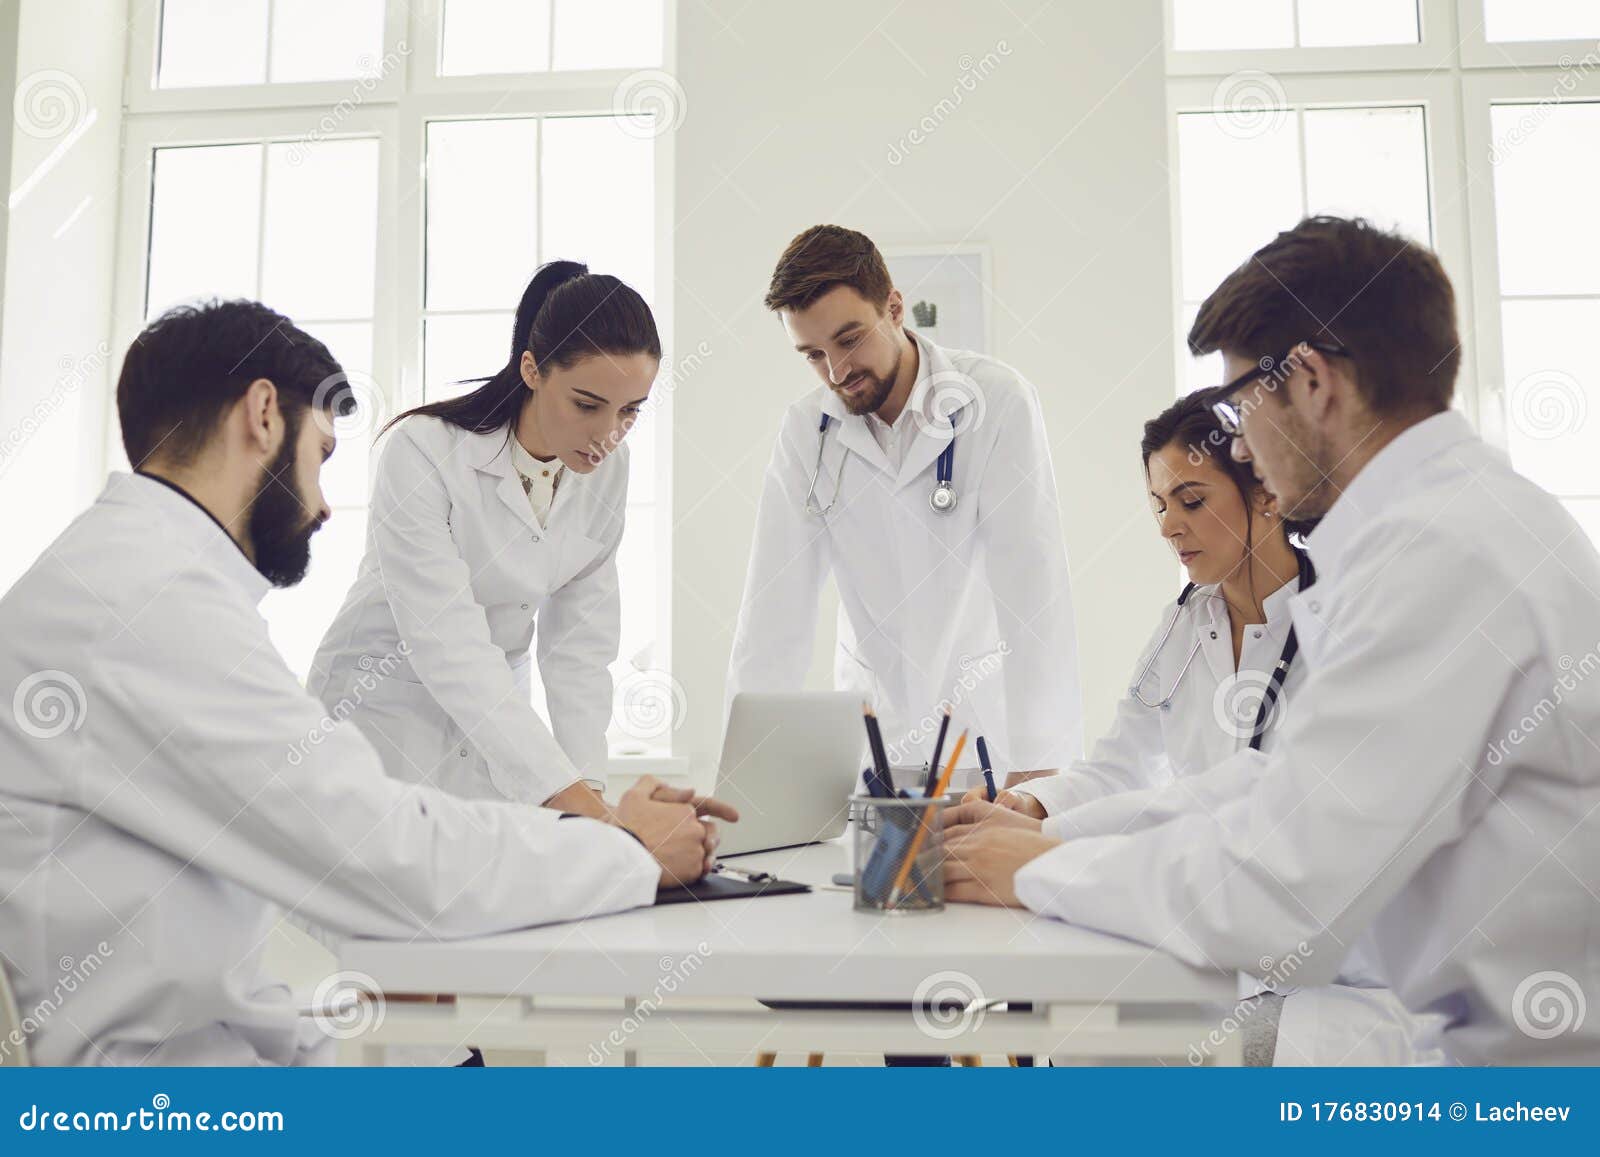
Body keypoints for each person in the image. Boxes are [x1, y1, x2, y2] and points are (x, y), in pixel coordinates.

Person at [0, 299, 730, 1066]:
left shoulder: (126, 574)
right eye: (320, 456)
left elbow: (254, 933)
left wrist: (595, 813)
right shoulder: (149, 606)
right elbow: (389, 853)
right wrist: (625, 851)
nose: (319, 504)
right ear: (261, 415)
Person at [943, 216, 1600, 1065]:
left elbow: (1283, 886)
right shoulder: (1461, 523)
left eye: (1241, 405)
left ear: (1314, 381)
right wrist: (1056, 838)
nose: (1243, 442)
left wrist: (1033, 873)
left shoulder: (1442, 555)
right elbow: (1268, 787)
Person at [961, 391, 1440, 1065]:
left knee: (1195, 1059)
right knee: (1083, 1041)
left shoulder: (1346, 628)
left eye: (1191, 500)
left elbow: (1257, 801)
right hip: (1217, 931)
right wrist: (1030, 803)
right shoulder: (1187, 622)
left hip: (1336, 975)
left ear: (1268, 495)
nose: (1167, 526)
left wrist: (1047, 844)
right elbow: (1120, 763)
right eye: (1159, 504)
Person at [728, 224, 1082, 787]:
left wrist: (1039, 770)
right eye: (813, 355)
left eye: (849, 340)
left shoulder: (994, 401)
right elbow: (774, 609)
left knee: (981, 875)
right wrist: (748, 775)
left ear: (894, 307)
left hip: (985, 738)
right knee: (878, 875)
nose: (837, 371)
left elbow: (1034, 589)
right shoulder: (807, 431)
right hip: (875, 741)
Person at [311, 261, 654, 817]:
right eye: (587, 406)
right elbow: (446, 640)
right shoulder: (422, 451)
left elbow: (579, 650)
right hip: (381, 708)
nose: (608, 435)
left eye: (630, 412)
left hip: (495, 723)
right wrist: (586, 814)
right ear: (532, 370)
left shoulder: (608, 472)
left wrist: (587, 789)